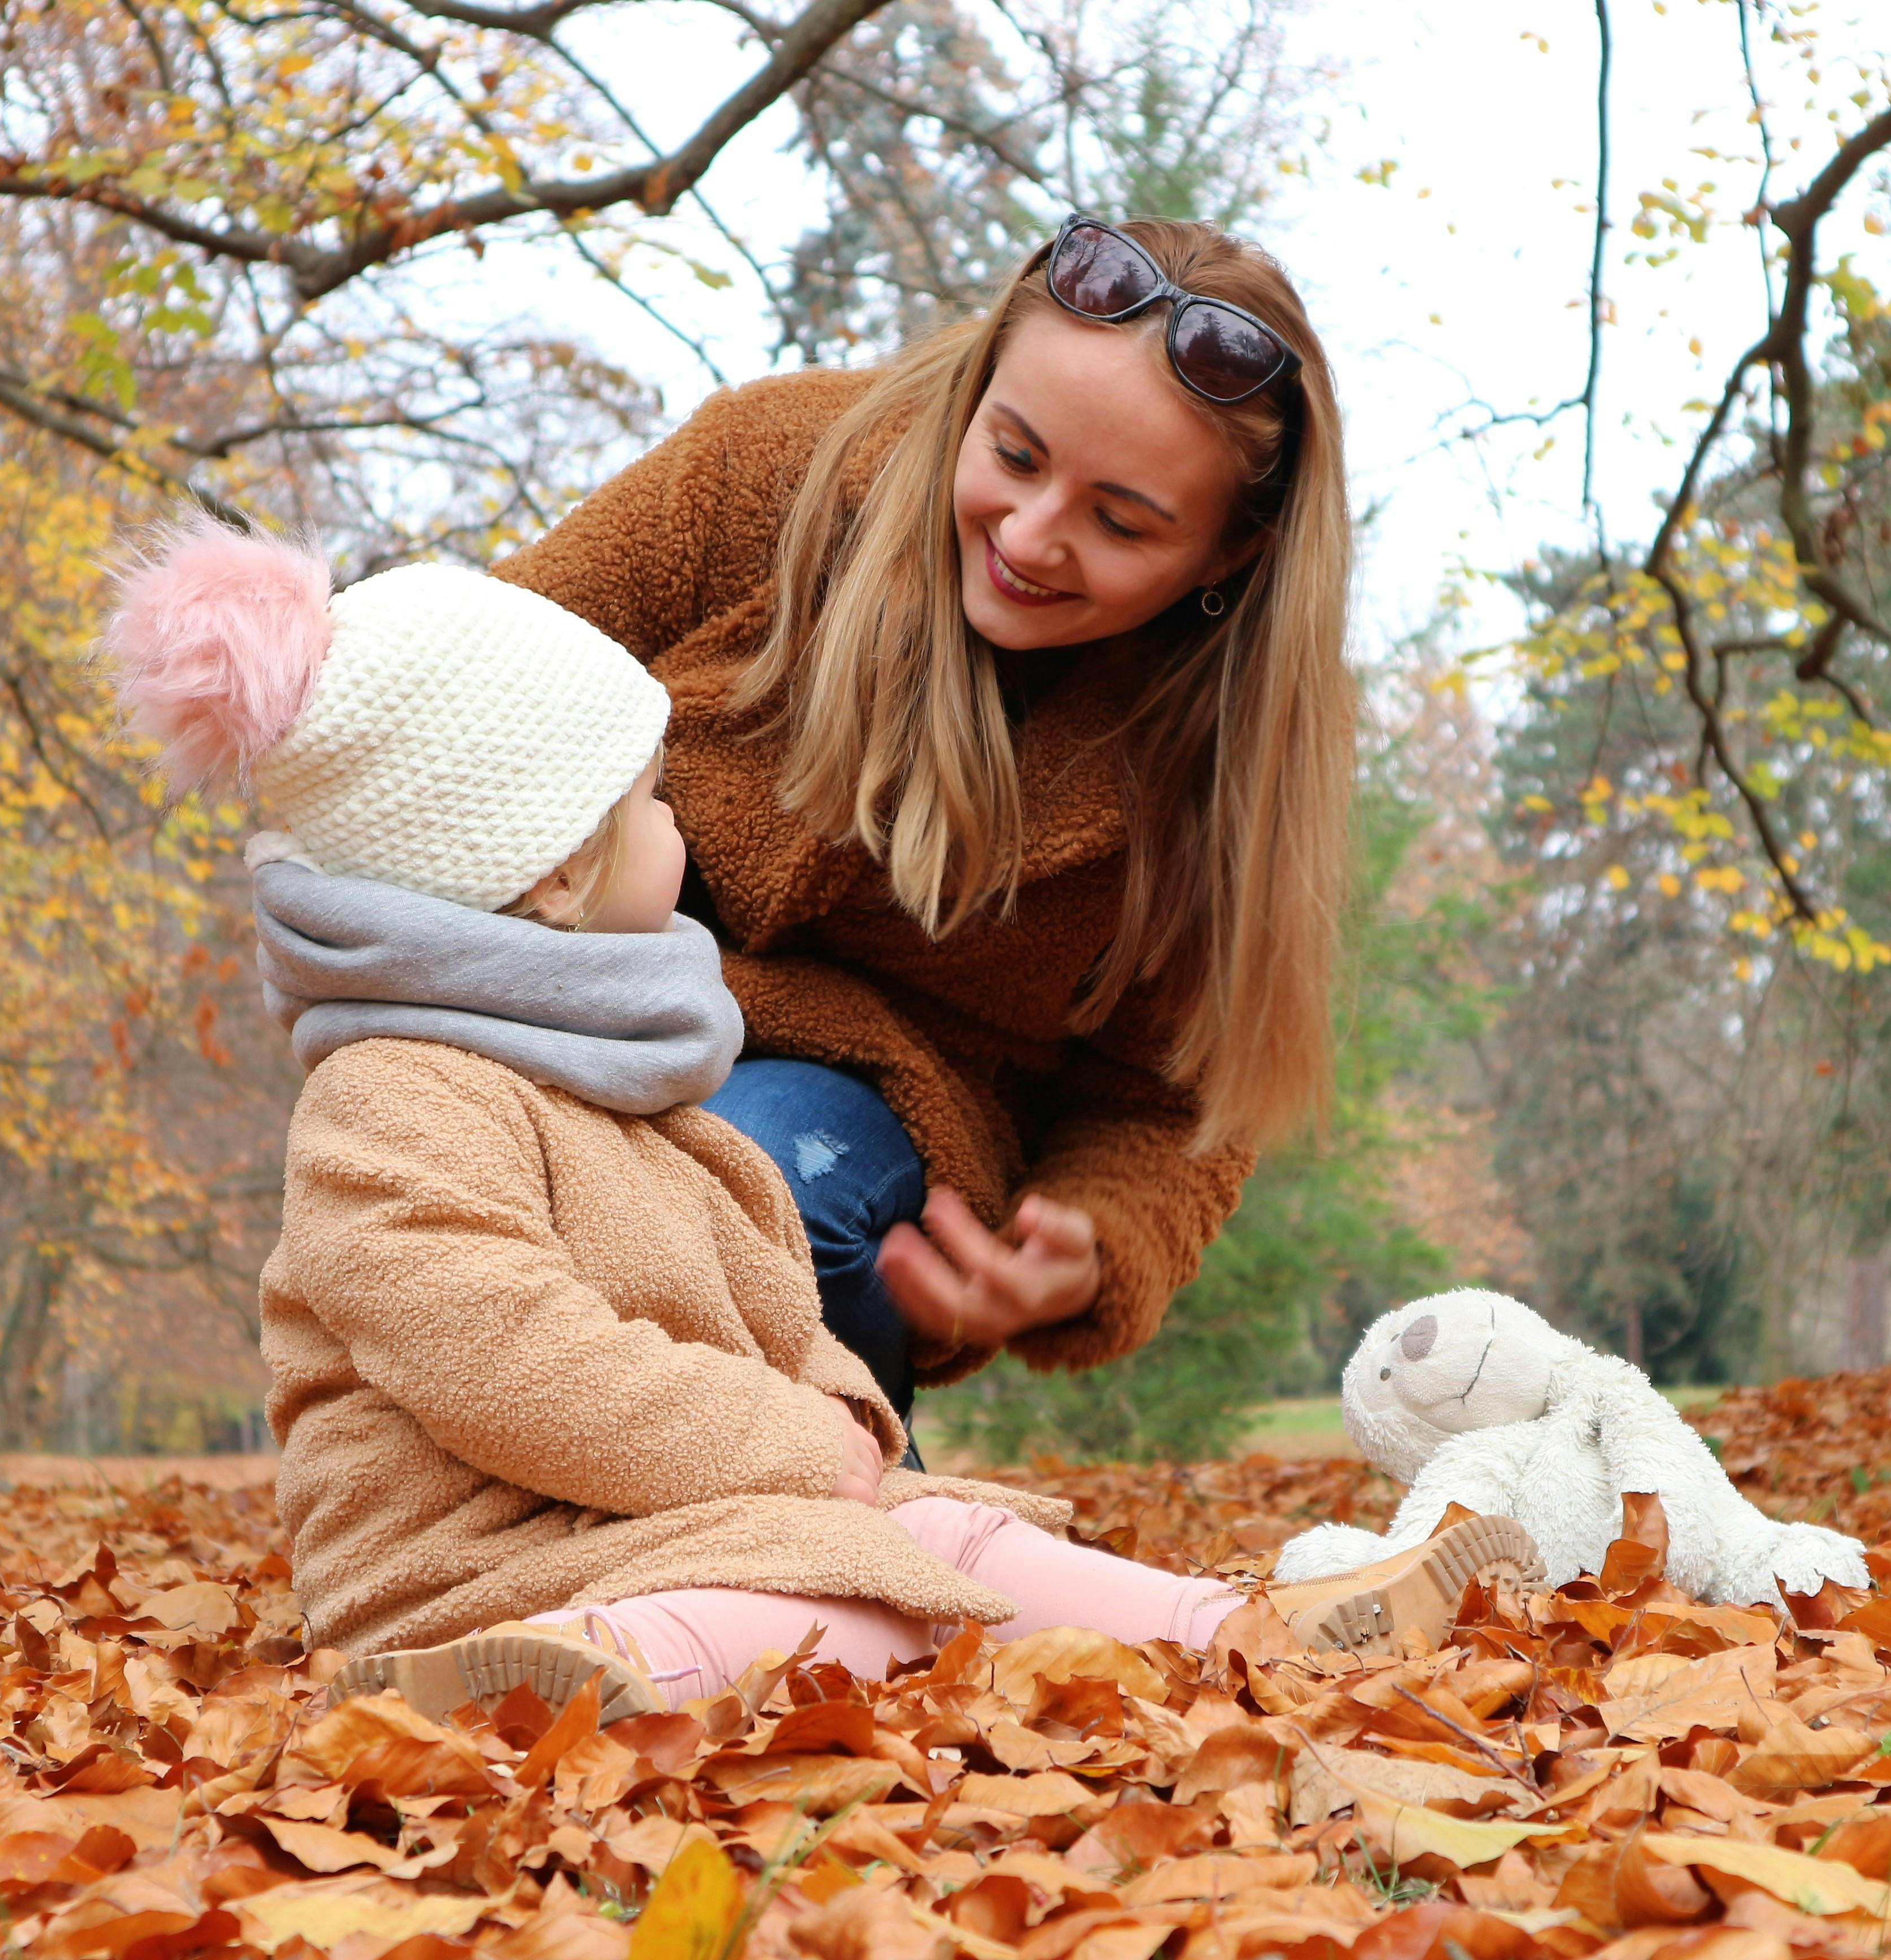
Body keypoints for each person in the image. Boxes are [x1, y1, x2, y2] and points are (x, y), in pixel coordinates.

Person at [97, 514, 1534, 1722]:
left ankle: (1243, 1637)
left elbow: (776, 1313)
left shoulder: (635, 1093)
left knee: (930, 1541)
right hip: (469, 1564)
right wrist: (790, 1450)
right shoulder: (396, 1098)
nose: (685, 827)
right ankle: (566, 1681)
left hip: (654, 1518)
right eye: (654, 800)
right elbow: (498, 1351)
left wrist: (843, 1429)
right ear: (544, 874)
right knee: (879, 1610)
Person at [492, 216, 1357, 1439]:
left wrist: (1093, 1246)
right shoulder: (768, 470)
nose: (1029, 535)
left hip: (875, 1105)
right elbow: (481, 668)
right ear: (976, 391)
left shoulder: (1214, 768)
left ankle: (808, 1561)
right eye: (1013, 453)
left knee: (744, 1181)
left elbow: (1169, 1112)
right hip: (561, 1008)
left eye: (1121, 522)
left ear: (1232, 552)